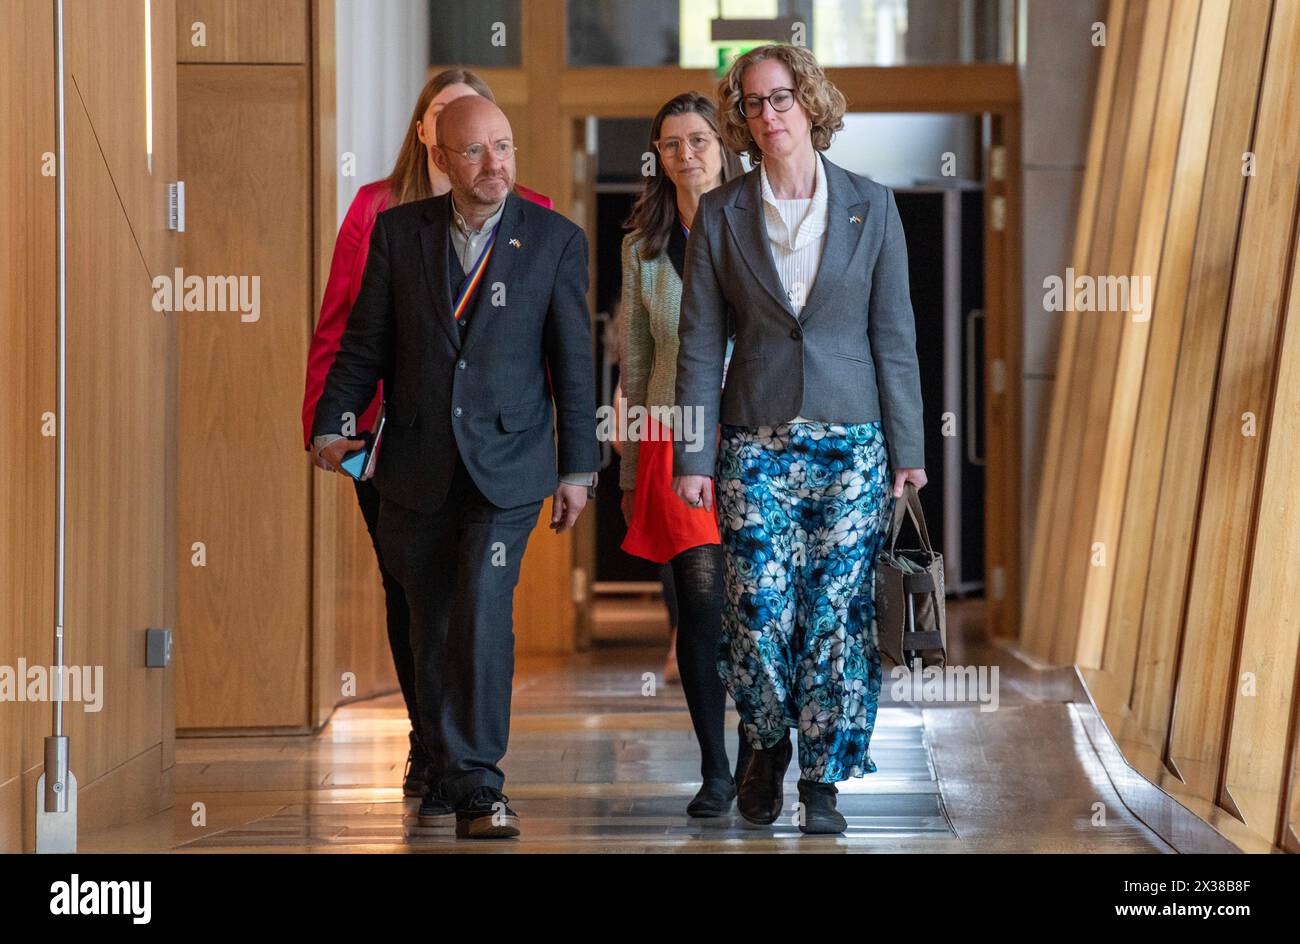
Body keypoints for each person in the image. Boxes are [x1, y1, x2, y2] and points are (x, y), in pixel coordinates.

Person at [312, 94, 598, 839]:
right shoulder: (398, 235)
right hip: (416, 460)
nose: (494, 164)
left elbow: (574, 363)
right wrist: (335, 423)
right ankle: (439, 759)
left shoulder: (555, 240)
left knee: (480, 603)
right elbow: (364, 346)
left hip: (509, 463)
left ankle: (479, 786)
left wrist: (579, 468)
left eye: (503, 147)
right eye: (474, 152)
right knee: (428, 617)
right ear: (440, 158)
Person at [671, 44, 928, 835]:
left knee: (833, 617)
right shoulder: (721, 213)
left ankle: (822, 782)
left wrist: (910, 451)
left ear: (810, 104)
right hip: (753, 441)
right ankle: (766, 737)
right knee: (757, 611)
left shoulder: (870, 203)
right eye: (751, 103)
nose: (767, 114)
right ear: (742, 120)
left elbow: (895, 336)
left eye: (780, 98)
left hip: (853, 444)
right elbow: (697, 342)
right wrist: (691, 456)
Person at [617, 92, 753, 817]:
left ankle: (766, 753)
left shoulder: (757, 225)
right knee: (701, 599)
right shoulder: (642, 246)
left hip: (758, 432)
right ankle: (715, 768)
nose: (686, 154)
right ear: (658, 156)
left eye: (698, 139)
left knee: (758, 602)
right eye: (671, 144)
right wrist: (634, 465)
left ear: (723, 146)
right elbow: (637, 365)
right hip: (675, 435)